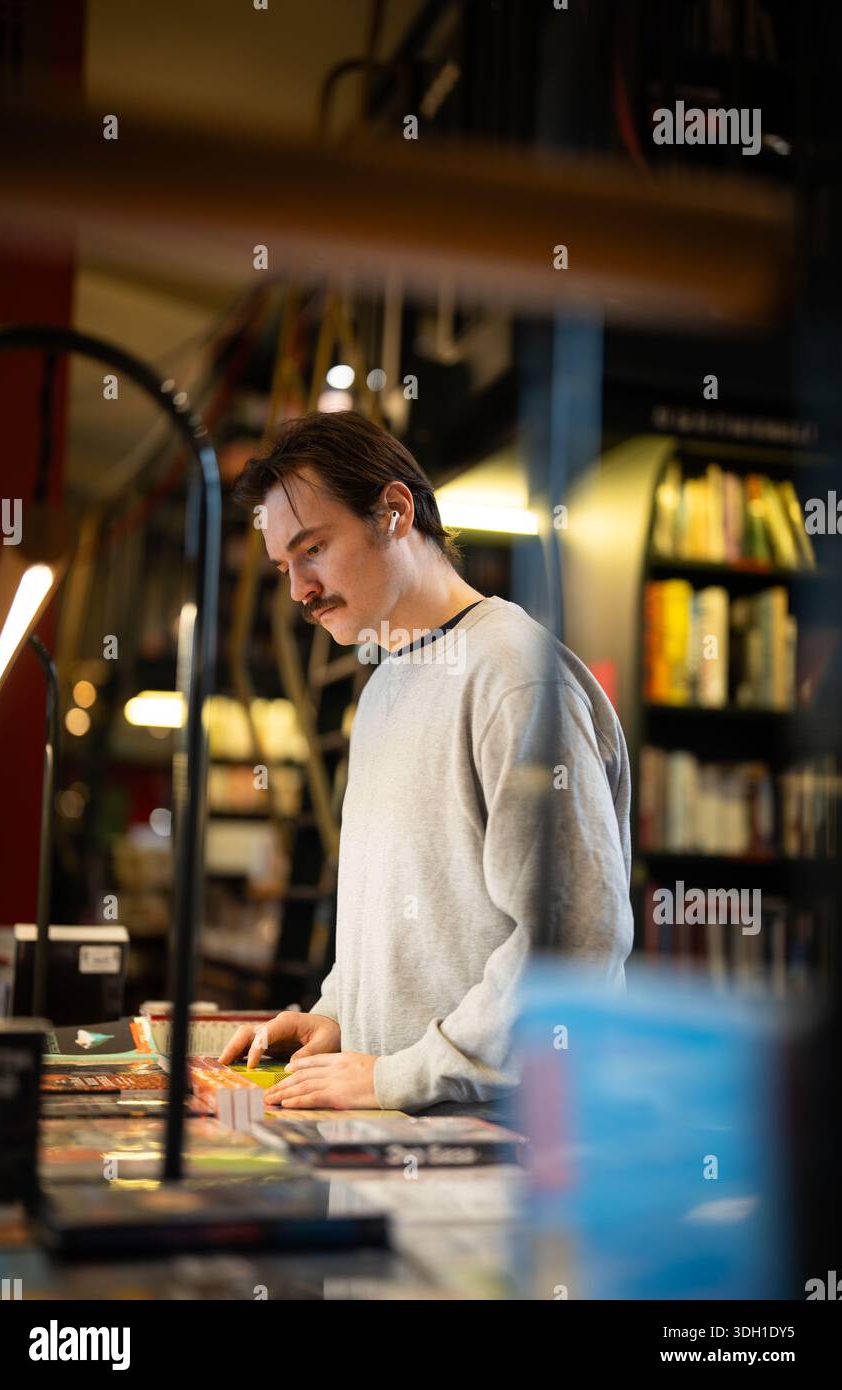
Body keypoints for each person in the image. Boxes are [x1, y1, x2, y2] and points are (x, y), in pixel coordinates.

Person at [219, 411, 633, 1111]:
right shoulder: (382, 688)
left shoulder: (513, 674)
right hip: (397, 1152)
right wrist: (338, 1014)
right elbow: (406, 922)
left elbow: (575, 946)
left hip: (497, 1165)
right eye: (285, 567)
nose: (299, 591)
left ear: (394, 511)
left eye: (313, 548)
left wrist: (395, 1077)